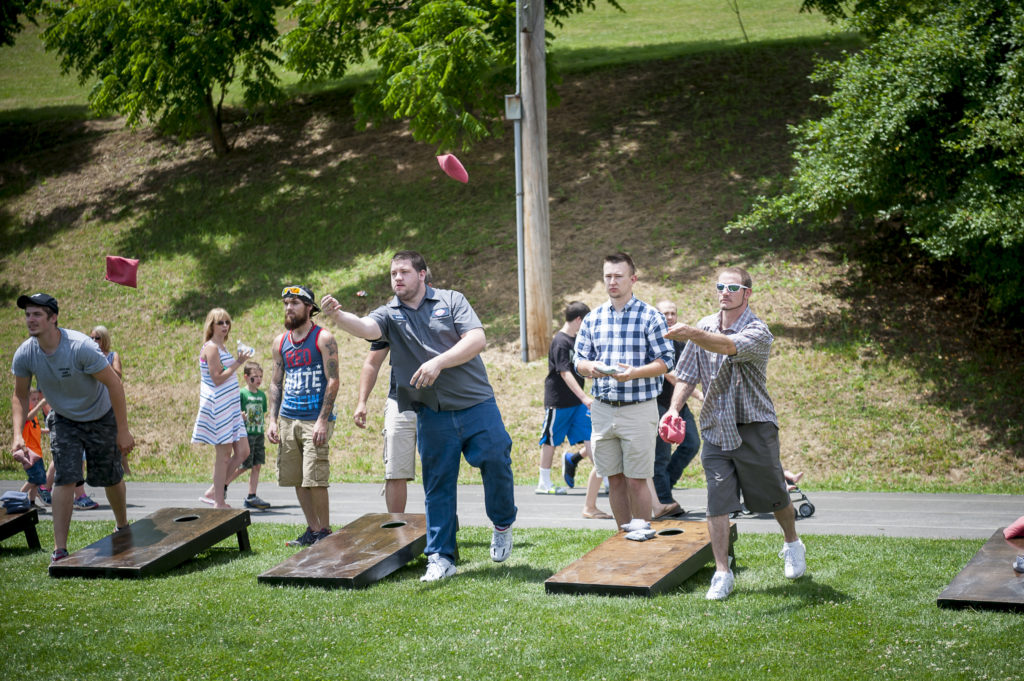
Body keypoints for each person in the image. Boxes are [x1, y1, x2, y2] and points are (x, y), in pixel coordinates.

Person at [320, 251, 517, 583]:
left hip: (475, 403)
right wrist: (339, 316)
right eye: (393, 273)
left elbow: (477, 338)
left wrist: (439, 362)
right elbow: (368, 328)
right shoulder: (389, 313)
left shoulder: (452, 301)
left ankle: (501, 523)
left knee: (496, 458)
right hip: (431, 412)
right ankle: (441, 557)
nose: (397, 278)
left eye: (404, 272)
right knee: (438, 484)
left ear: (423, 274)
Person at [663, 267, 807, 601]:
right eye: (720, 286)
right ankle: (722, 572)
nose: (724, 292)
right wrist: (673, 409)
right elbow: (687, 374)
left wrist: (691, 334)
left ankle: (792, 542)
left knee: (774, 496)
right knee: (717, 501)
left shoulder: (758, 331)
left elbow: (727, 346)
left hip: (754, 425)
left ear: (747, 293)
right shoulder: (703, 325)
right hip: (715, 426)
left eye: (732, 287)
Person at [10, 293, 135, 563]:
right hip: (64, 419)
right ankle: (60, 550)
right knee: (65, 476)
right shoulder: (26, 353)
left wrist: (122, 430)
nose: (30, 320)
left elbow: (114, 383)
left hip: (100, 415)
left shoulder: (80, 347)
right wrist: (17, 435)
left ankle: (122, 525)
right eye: (28, 314)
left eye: (37, 315)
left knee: (110, 477)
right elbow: (19, 395)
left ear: (53, 318)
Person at [573, 253, 674, 531]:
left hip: (638, 408)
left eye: (618, 276)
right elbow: (577, 360)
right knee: (614, 479)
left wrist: (634, 373)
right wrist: (588, 367)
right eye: (608, 276)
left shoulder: (650, 316)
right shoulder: (593, 318)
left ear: (633, 279)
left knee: (637, 479)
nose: (612, 281)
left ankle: (641, 536)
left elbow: (667, 360)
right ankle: (622, 536)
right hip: (603, 408)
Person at [266, 286, 340, 547]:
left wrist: (323, 419)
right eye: (286, 303)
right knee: (297, 478)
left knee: (315, 478)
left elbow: (333, 381)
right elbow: (276, 383)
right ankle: (313, 529)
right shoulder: (280, 342)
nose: (288, 308)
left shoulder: (323, 338)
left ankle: (325, 532)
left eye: (295, 302)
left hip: (314, 419)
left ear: (309, 307)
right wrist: (272, 420)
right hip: (288, 418)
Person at [538, 301, 609, 519]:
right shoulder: (560, 341)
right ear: (579, 320)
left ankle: (605, 479)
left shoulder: (576, 341)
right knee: (551, 440)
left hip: (578, 404)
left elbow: (579, 369)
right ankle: (544, 481)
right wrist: (584, 397)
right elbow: (564, 373)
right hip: (559, 401)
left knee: (590, 437)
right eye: (586, 321)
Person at [651, 299, 703, 518]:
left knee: (692, 443)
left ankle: (664, 487)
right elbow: (672, 376)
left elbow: (689, 371)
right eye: (665, 313)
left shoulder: (681, 342)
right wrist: (699, 394)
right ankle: (663, 500)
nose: (670, 317)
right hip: (659, 404)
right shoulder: (653, 340)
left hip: (679, 404)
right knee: (660, 456)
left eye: (673, 313)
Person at [354, 340, 418, 513]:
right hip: (400, 402)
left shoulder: (443, 314)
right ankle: (396, 531)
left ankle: (441, 533)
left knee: (440, 472)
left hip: (439, 403)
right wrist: (362, 402)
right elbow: (372, 362)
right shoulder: (392, 315)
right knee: (395, 472)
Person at [235, 360, 271, 510]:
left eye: (260, 376)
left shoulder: (262, 396)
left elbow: (261, 413)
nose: (258, 380)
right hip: (246, 434)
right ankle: (222, 485)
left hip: (258, 434)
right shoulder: (242, 394)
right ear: (246, 377)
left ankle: (252, 496)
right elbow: (235, 412)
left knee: (257, 465)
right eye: (255, 377)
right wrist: (240, 417)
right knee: (244, 465)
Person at [15, 388, 49, 505]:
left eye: (37, 399)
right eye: (33, 399)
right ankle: (18, 497)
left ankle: (32, 503)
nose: (36, 401)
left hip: (37, 452)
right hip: (28, 452)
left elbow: (36, 429)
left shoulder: (34, 416)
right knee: (35, 478)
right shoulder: (24, 413)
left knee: (39, 479)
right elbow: (28, 417)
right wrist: (40, 405)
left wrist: (47, 431)